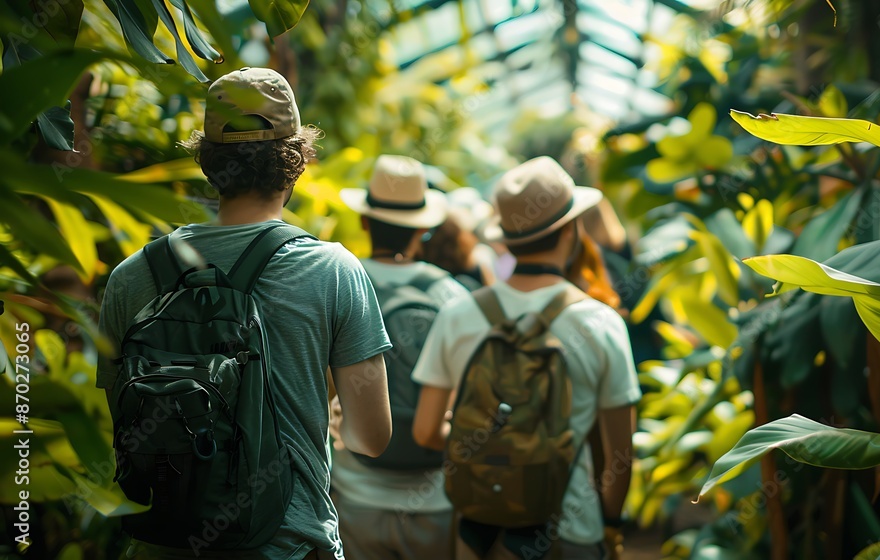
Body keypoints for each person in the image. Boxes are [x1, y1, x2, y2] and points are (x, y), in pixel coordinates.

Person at [97, 67, 392, 560]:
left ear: (209, 162)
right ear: (296, 161)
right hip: (287, 543)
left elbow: (125, 417)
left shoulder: (132, 275)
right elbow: (371, 439)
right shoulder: (332, 271)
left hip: (160, 544)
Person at [411, 156, 641, 559]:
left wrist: (494, 447)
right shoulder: (601, 321)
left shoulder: (458, 314)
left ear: (506, 239)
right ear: (570, 231)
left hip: (481, 529)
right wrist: (610, 522)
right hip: (571, 528)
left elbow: (427, 432)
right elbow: (620, 454)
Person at [330, 154, 466, 560]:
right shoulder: (454, 297)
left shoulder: (337, 286)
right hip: (434, 495)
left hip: (354, 491)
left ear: (365, 221)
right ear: (423, 229)